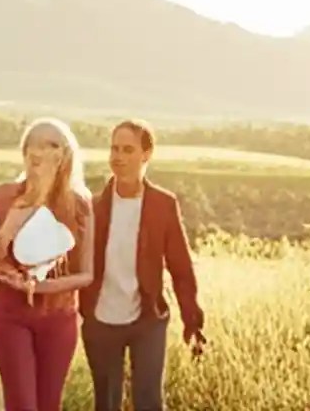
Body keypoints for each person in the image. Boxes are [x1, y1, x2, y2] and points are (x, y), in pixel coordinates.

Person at [78, 119, 206, 411]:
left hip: (147, 319)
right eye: (114, 149)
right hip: (100, 320)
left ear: (146, 154)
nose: (118, 157)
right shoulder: (92, 206)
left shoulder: (163, 204)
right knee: (106, 403)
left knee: (149, 401)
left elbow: (181, 267)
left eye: (127, 149)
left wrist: (193, 321)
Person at [0, 118, 94, 411]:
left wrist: (41, 286)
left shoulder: (80, 204)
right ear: (24, 152)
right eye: (34, 143)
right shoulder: (4, 196)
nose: (40, 151)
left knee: (49, 406)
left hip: (60, 319)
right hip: (10, 316)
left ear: (65, 156)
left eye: (51, 145)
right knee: (22, 406)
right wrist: (19, 216)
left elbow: (87, 274)